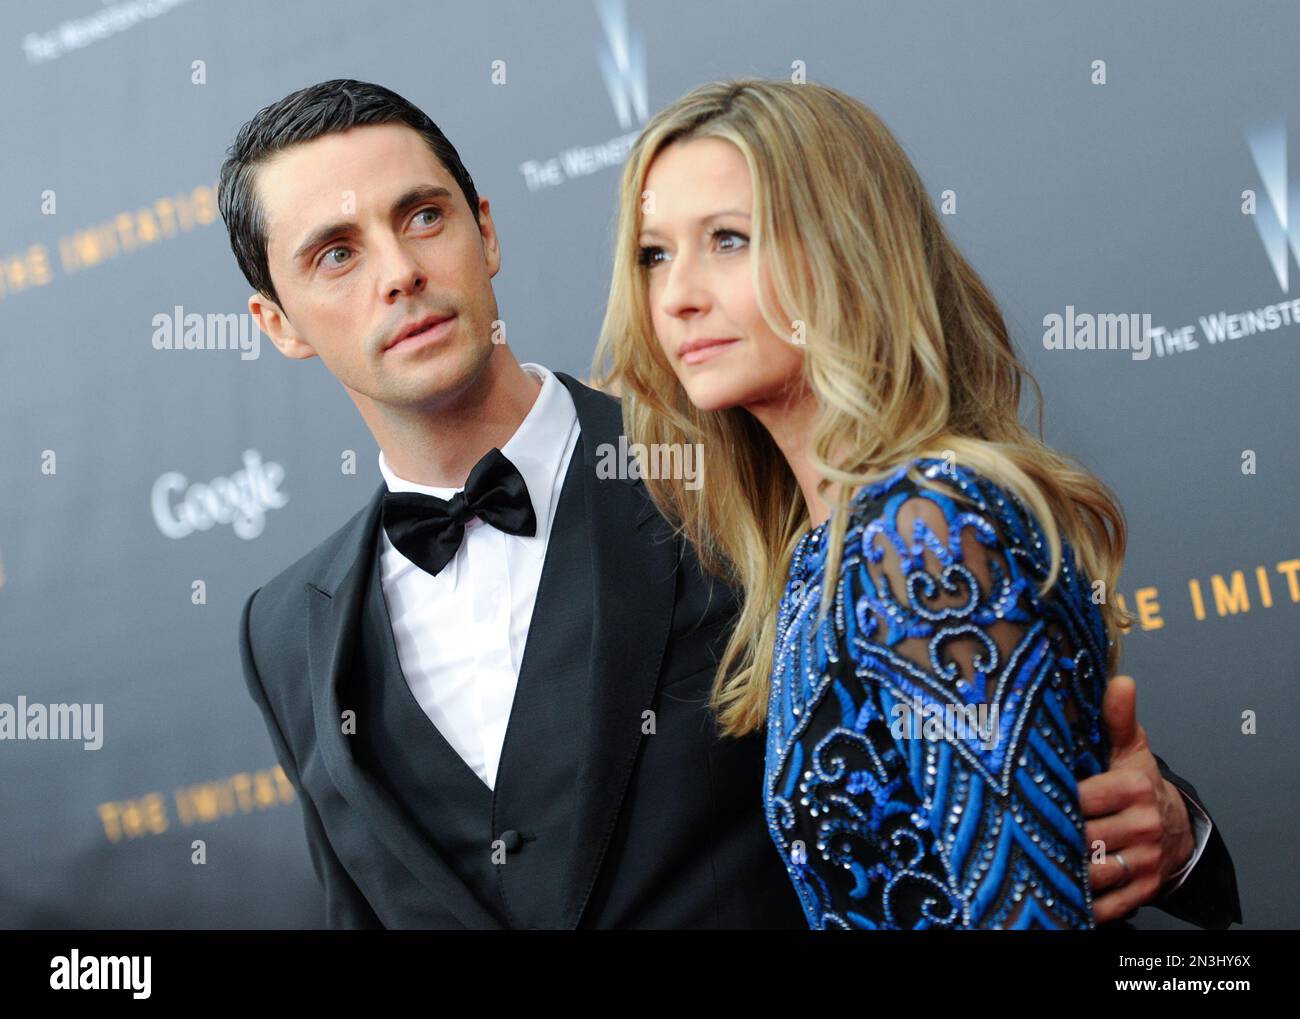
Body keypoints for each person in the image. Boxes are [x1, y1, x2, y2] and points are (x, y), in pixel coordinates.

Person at [222, 78, 1237, 928]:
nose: (399, 272)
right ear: (278, 323)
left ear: (485, 232)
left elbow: (1013, 765)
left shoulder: (741, 465)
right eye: (337, 253)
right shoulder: (283, 630)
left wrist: (1172, 831)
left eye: (423, 216)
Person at [592, 78, 1240, 928]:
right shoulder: (817, 547)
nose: (676, 295)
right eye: (653, 253)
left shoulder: (921, 526)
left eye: (728, 239)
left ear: (848, 251)